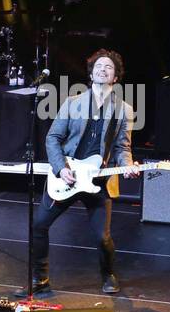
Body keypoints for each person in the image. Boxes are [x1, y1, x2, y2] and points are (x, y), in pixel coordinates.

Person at [17, 49, 140, 297]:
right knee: (39, 225)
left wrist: (128, 166)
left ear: (115, 77)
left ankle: (108, 275)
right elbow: (52, 138)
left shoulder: (123, 110)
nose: (103, 69)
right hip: (68, 176)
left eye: (109, 67)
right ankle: (39, 279)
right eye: (99, 66)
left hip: (98, 180)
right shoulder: (73, 103)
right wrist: (62, 168)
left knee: (102, 237)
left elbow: (122, 147)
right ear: (91, 72)